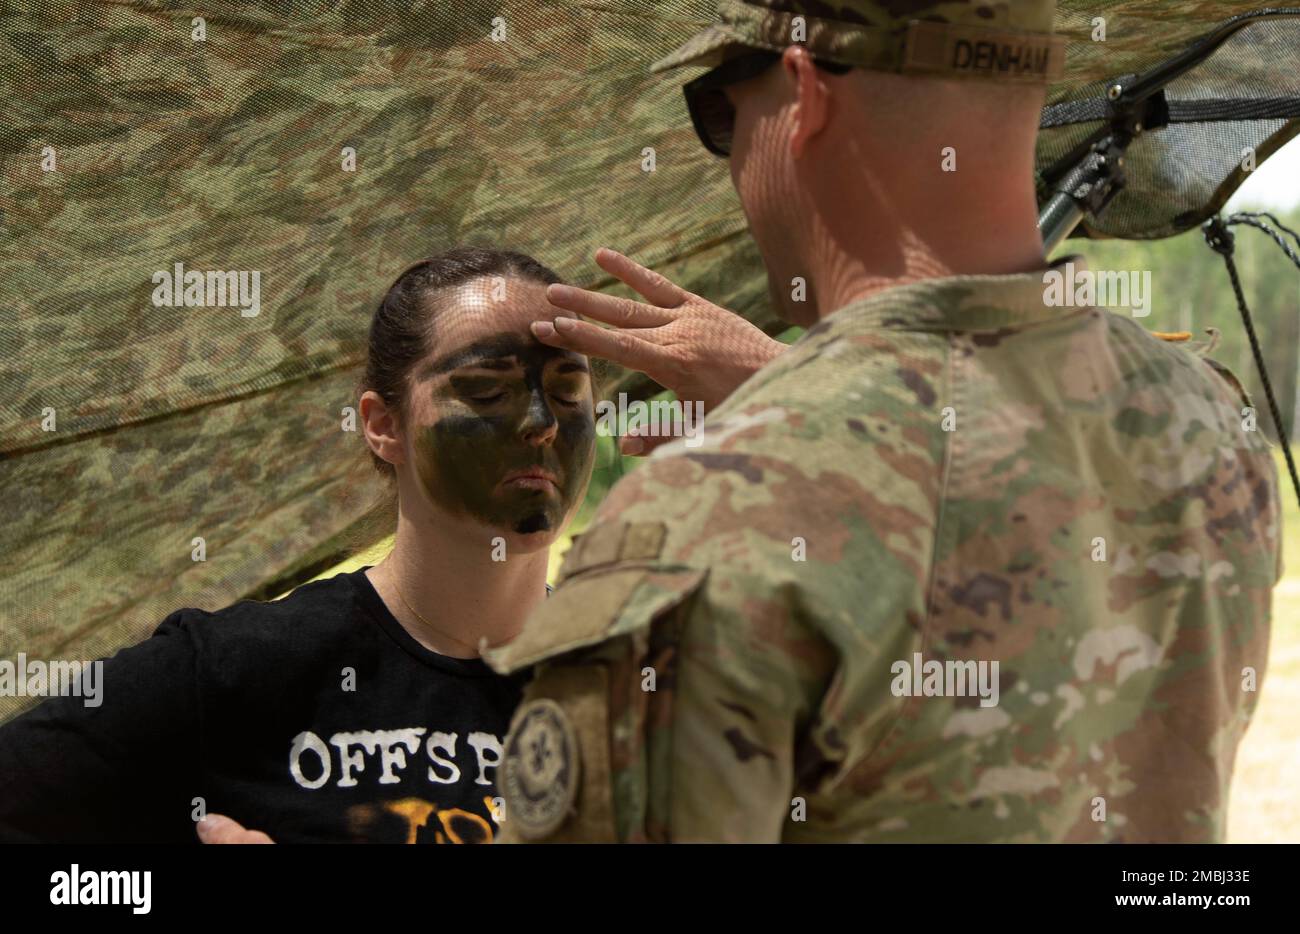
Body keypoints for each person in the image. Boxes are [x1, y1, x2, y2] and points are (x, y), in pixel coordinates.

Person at [483, 0, 1283, 843]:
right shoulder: (1206, 418)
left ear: (805, 93)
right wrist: (808, 403)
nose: (730, 153)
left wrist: (799, 429)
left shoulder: (712, 519)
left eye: (722, 110)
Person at [0, 247, 599, 843]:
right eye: (487, 392)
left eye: (569, 393)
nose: (541, 421)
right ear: (383, 425)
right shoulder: (229, 672)